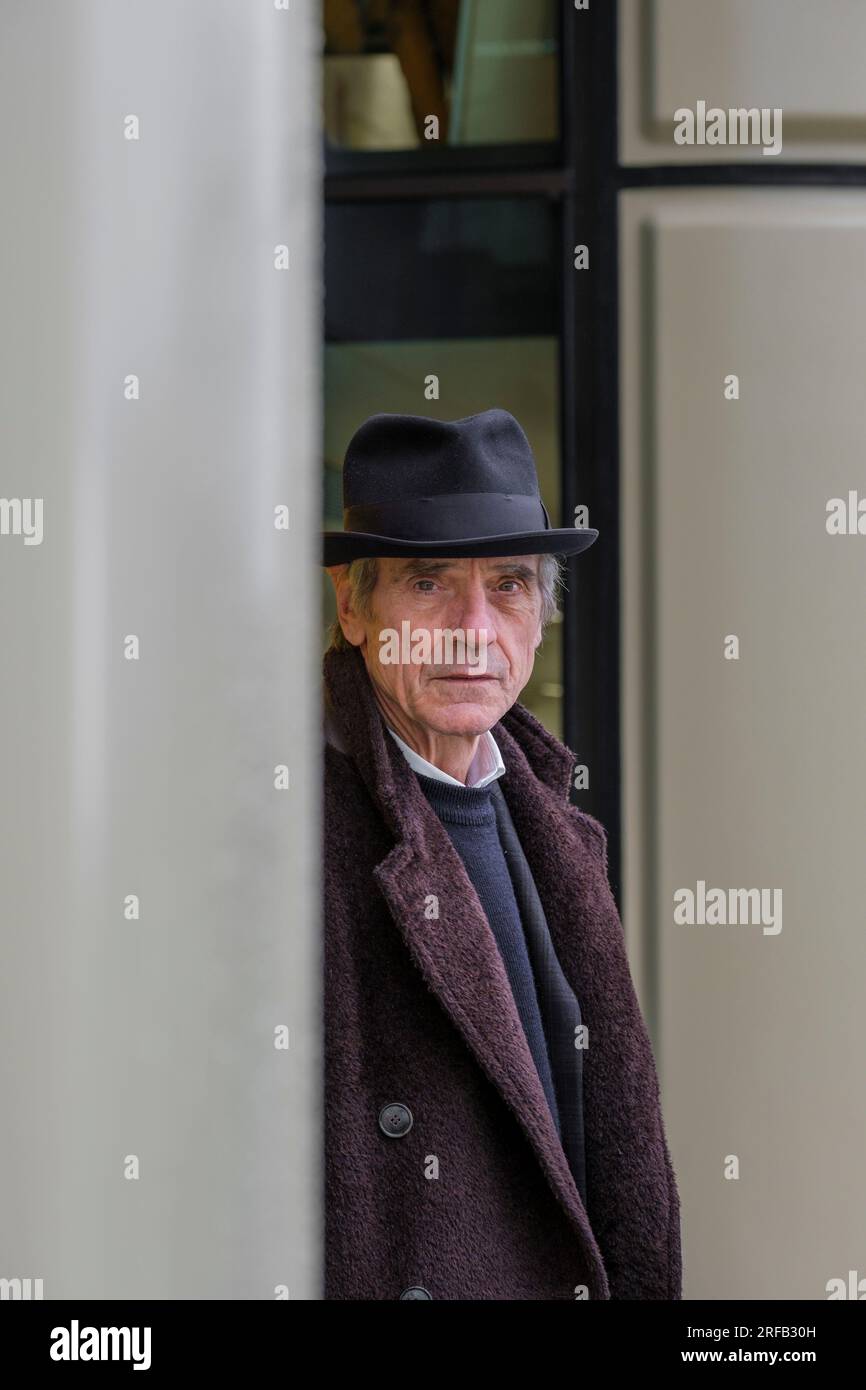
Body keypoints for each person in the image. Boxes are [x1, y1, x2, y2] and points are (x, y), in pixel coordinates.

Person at [322, 408, 682, 1300]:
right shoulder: (288, 842)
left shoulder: (560, 831)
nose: (473, 627)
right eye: (429, 581)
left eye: (511, 584)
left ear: (540, 618)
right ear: (354, 607)